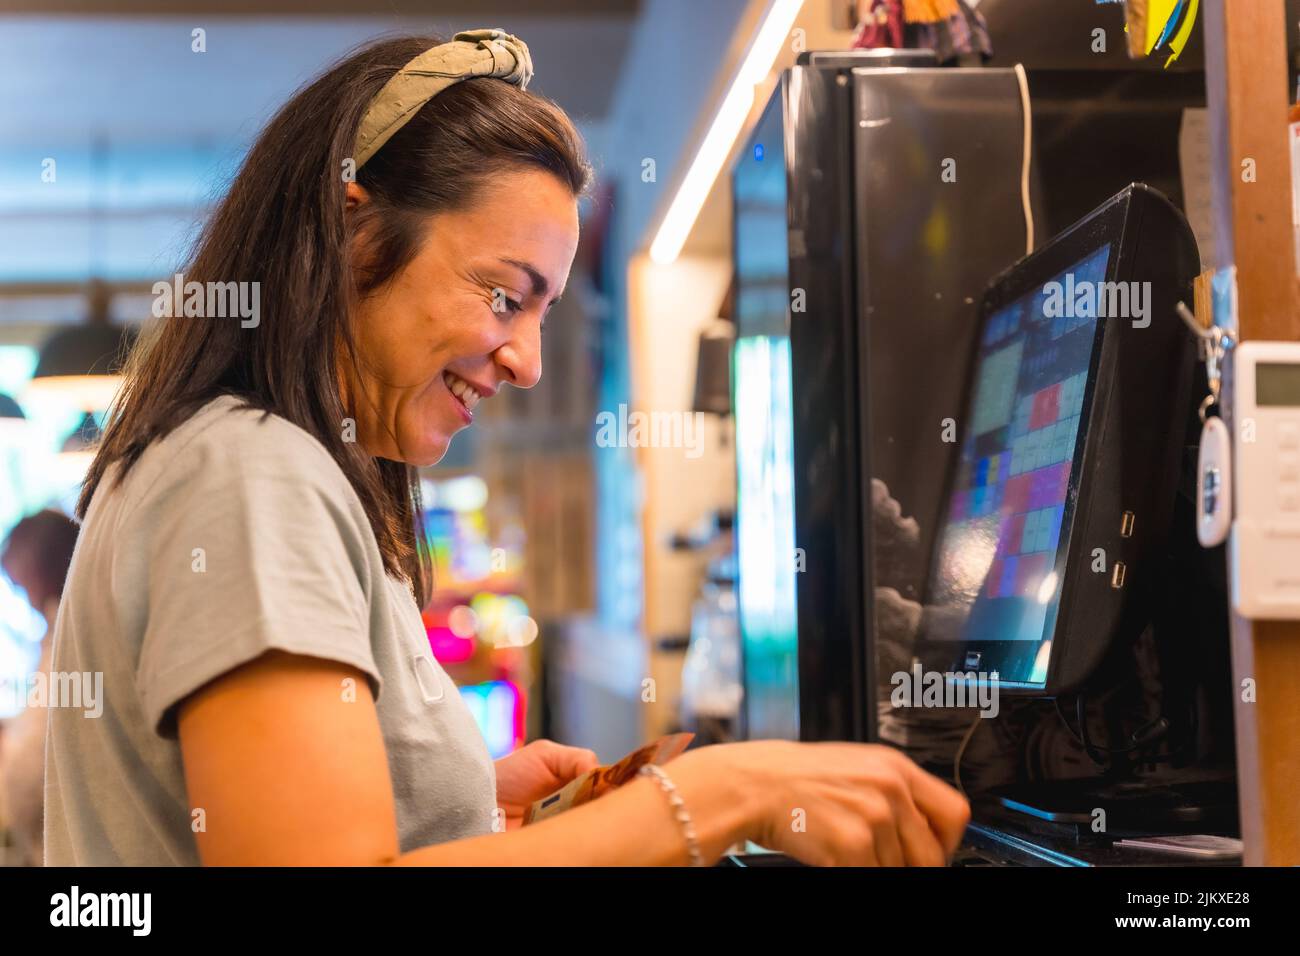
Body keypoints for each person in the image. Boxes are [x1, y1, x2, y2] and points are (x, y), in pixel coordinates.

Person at [44, 29, 969, 867]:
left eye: (544, 312)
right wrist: (721, 795)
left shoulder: (234, 459)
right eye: (503, 295)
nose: (527, 362)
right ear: (357, 231)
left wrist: (460, 804)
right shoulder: (250, 469)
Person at [0, 509, 79, 865]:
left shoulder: (70, 634)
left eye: (20, 583)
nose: (23, 596)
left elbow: (38, 764)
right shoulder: (54, 631)